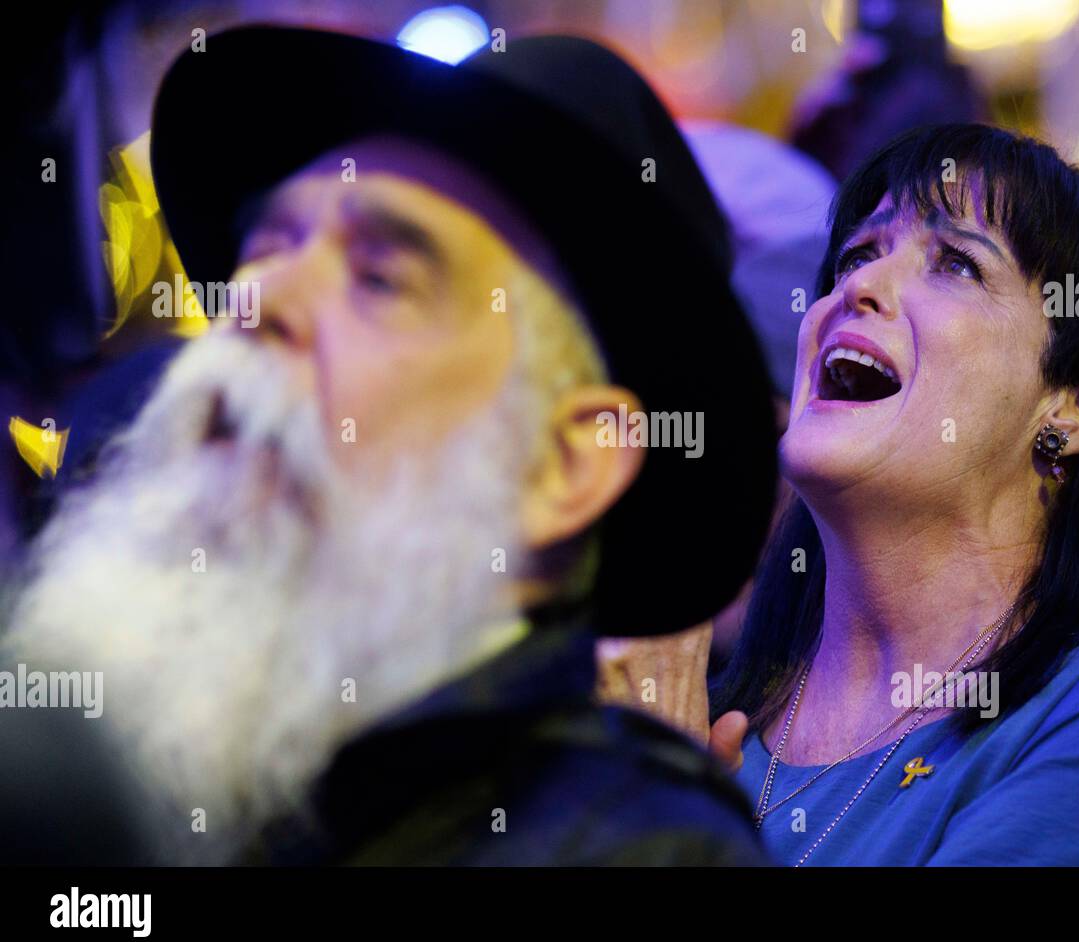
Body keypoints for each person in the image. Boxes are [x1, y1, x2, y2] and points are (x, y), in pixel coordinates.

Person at [3, 26, 778, 865]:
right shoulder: (103, 766)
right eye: (269, 246)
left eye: (379, 278)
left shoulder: (631, 848)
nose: (261, 302)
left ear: (563, 467)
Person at [709, 123, 1079, 866]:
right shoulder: (699, 729)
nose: (859, 288)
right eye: (856, 255)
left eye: (957, 265)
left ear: (1071, 411)